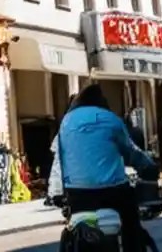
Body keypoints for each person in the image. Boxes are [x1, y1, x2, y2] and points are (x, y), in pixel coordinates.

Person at [56, 84, 156, 252]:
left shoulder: (66, 122)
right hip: (112, 191)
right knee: (131, 224)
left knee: (71, 231)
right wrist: (149, 167)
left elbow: (60, 159)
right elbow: (131, 151)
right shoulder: (110, 119)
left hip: (78, 194)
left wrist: (58, 192)